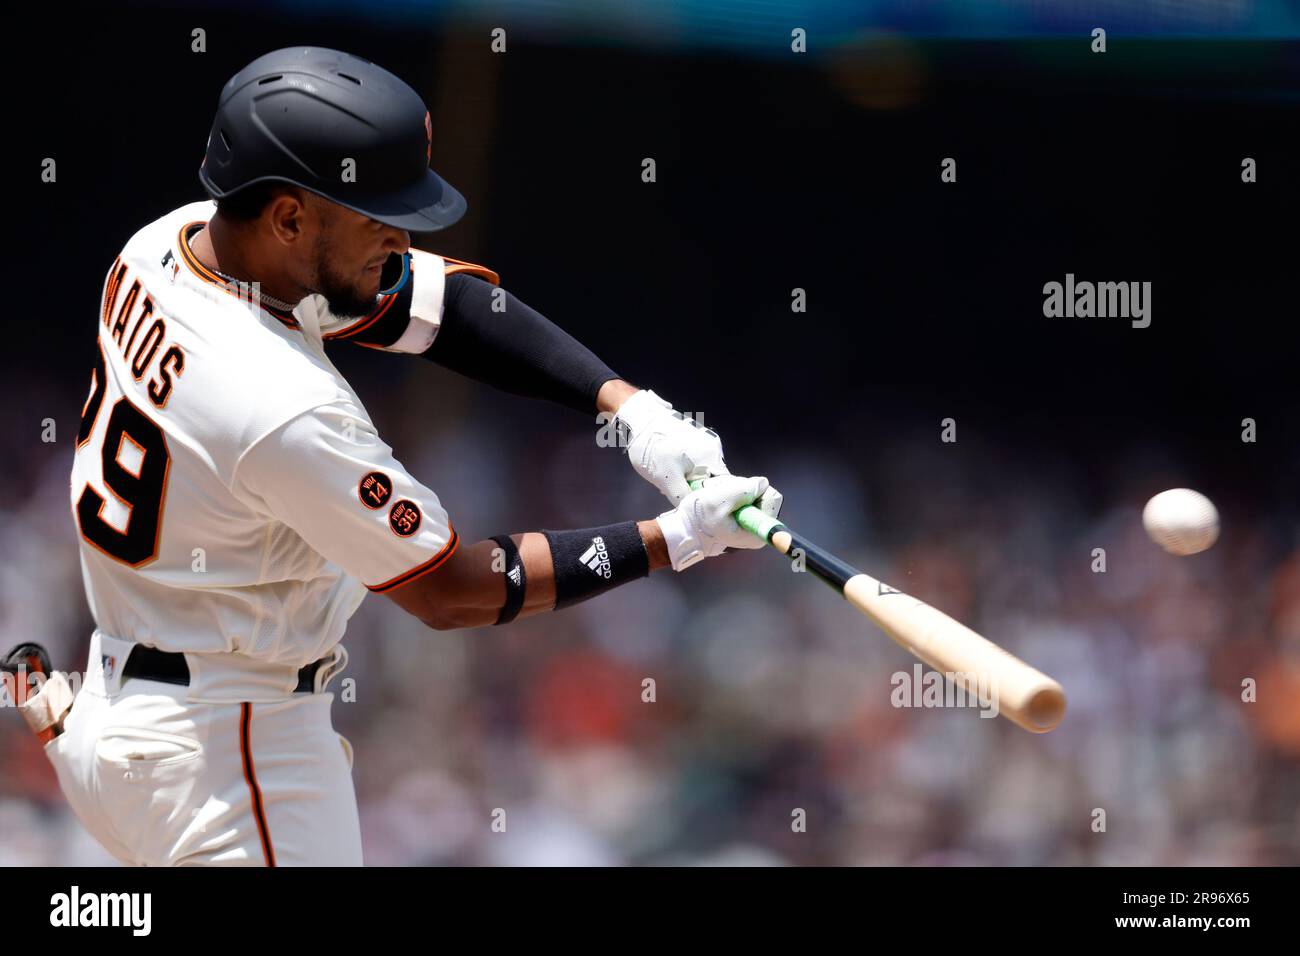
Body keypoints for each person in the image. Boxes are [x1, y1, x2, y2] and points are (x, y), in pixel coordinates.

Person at [12, 46, 781, 866]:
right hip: (236, 770)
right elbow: (455, 592)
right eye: (375, 215)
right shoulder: (282, 406)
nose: (402, 235)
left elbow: (445, 305)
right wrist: (679, 538)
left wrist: (634, 413)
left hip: (114, 724)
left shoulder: (164, 246)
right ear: (287, 218)